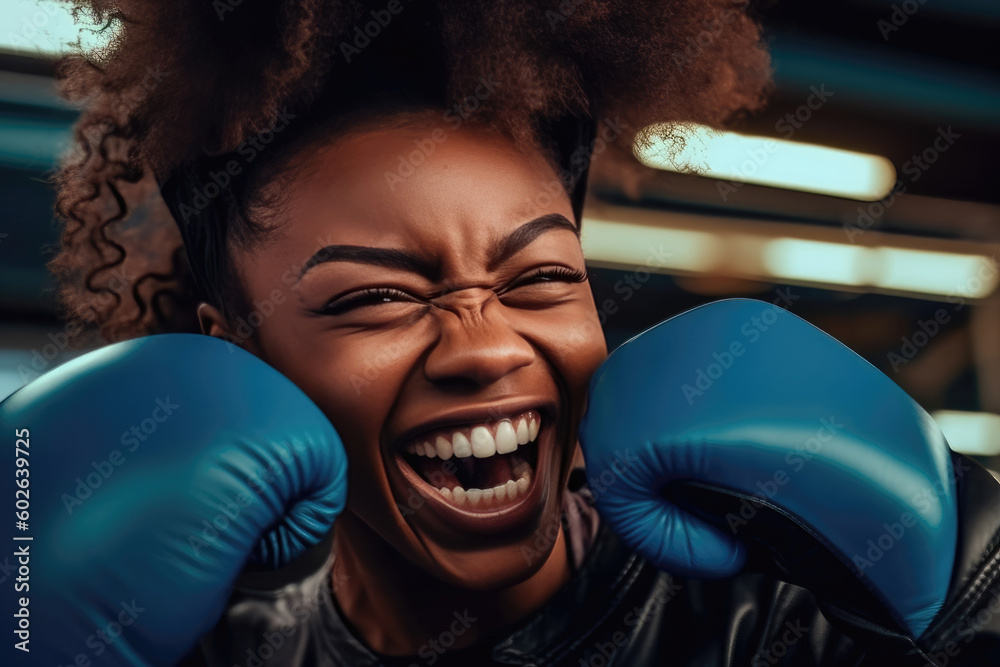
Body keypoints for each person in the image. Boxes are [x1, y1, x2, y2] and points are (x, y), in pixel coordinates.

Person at [6, 0, 999, 665]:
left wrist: (975, 587)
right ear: (235, 354)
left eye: (539, 278)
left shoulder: (785, 625)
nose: (484, 346)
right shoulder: (218, 649)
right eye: (375, 299)